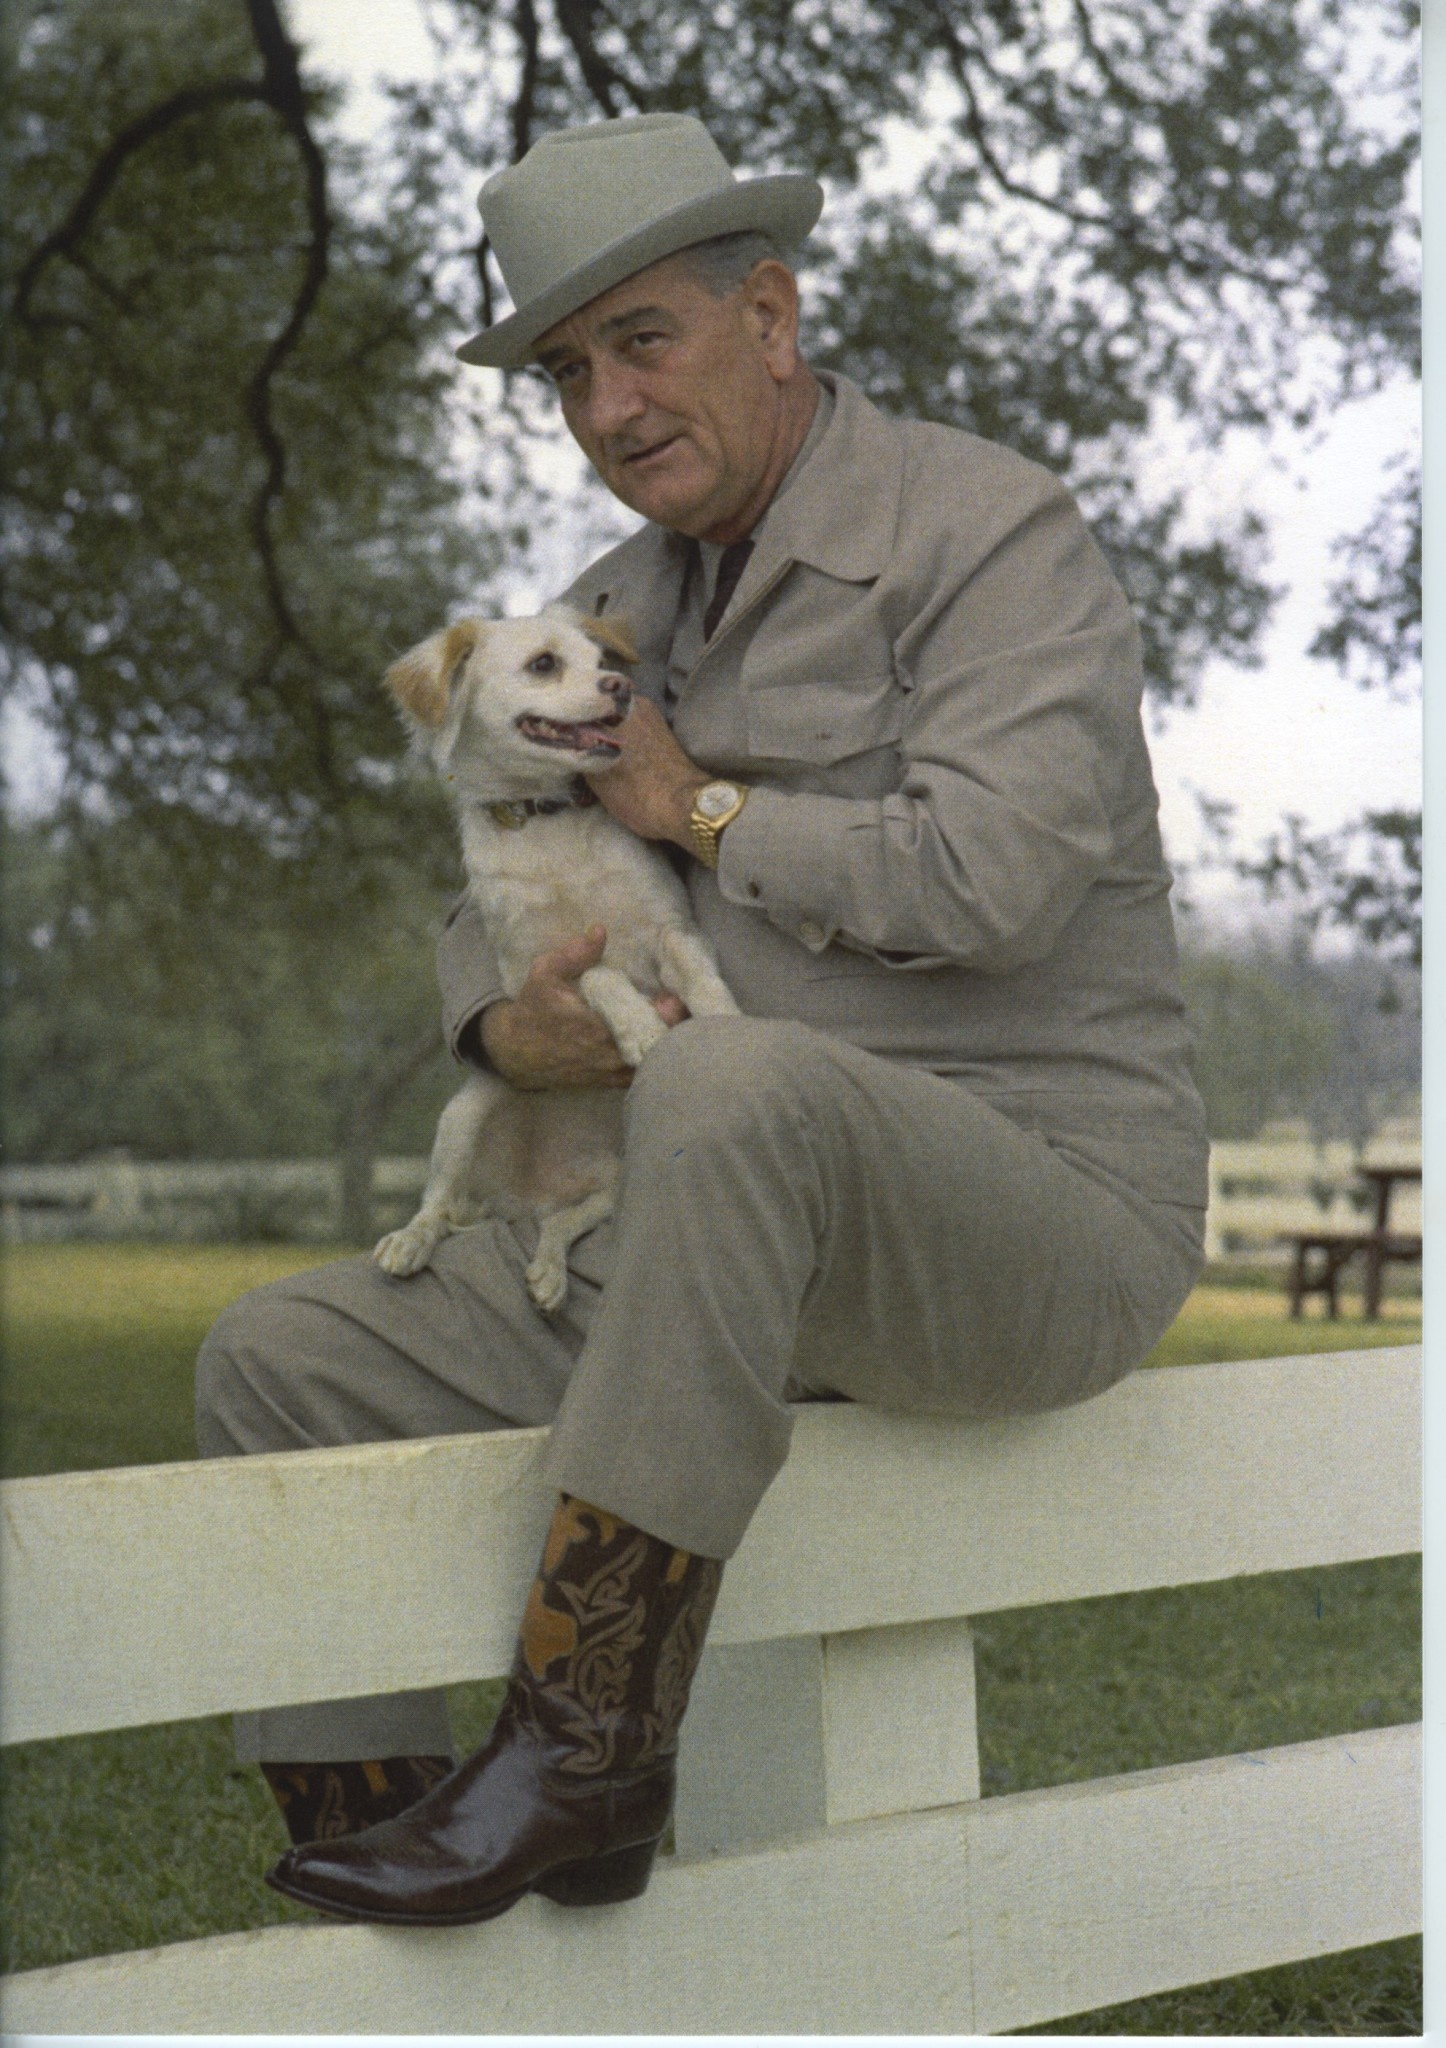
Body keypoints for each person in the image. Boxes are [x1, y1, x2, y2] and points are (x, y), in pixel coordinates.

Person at [197, 111, 1209, 1926]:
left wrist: (700, 811)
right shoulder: (604, 610)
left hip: (1026, 1220)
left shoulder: (989, 532)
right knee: (283, 1354)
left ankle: (580, 1762)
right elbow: (481, 887)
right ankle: (369, 1863)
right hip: (713, 1256)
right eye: (568, 371)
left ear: (769, 313)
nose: (605, 408)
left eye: (639, 342)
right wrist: (511, 1040)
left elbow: (996, 876)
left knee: (729, 1075)